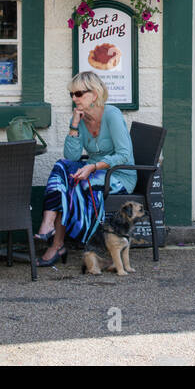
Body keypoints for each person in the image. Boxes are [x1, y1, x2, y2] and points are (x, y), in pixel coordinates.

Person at [35, 71, 135, 267]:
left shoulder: (111, 115)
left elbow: (124, 154)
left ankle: (58, 245)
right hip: (94, 171)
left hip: (119, 175)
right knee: (61, 167)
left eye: (79, 94)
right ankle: (48, 223)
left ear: (94, 95)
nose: (74, 98)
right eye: (72, 94)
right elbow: (71, 156)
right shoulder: (80, 118)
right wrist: (74, 124)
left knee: (74, 184)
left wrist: (94, 166)